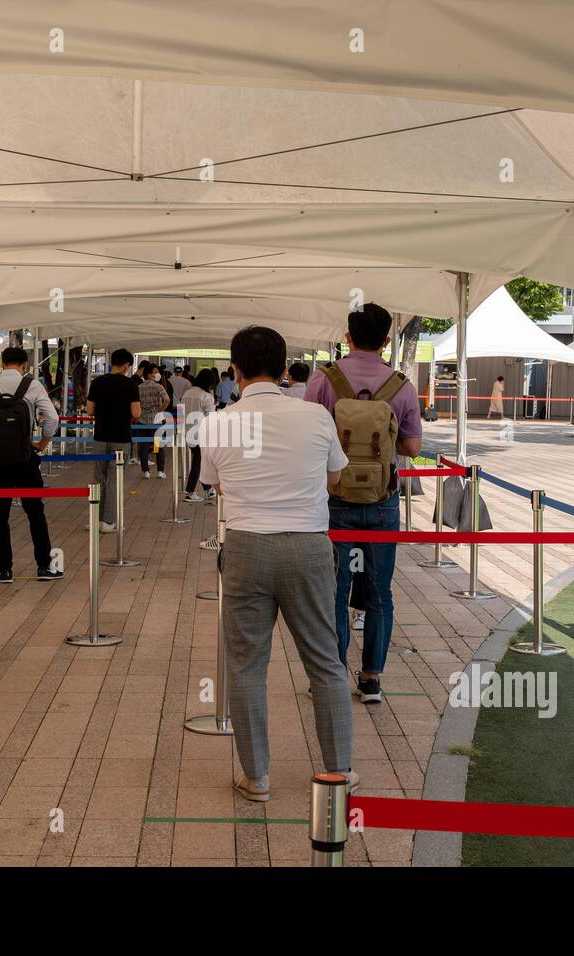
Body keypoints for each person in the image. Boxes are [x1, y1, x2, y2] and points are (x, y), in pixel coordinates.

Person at [201, 325, 357, 801]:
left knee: (247, 665)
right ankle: (339, 773)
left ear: (235, 369)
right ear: (285, 366)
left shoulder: (218, 421)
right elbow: (335, 474)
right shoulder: (315, 416)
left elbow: (216, 484)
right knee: (325, 662)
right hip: (309, 546)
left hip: (247, 545)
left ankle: (258, 777)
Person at [306, 302, 423, 703]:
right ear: (387, 340)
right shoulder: (401, 386)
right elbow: (412, 445)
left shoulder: (324, 382)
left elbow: (308, 439)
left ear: (347, 336)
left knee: (334, 590)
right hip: (381, 501)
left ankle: (333, 675)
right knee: (379, 592)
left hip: (333, 498)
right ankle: (371, 677)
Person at [0, 345, 62, 583]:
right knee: (35, 514)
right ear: (24, 366)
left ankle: (4, 570)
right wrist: (42, 442)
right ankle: (44, 567)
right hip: (25, 460)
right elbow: (52, 418)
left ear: (2, 364)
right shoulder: (31, 385)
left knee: (0, 517)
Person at [85, 348, 142, 533]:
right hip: (121, 438)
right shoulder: (130, 385)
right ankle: (109, 521)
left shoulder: (98, 382)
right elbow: (136, 413)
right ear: (126, 365)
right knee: (115, 479)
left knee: (98, 478)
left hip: (100, 436)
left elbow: (89, 410)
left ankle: (96, 520)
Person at [181, 368, 217, 502]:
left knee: (200, 460)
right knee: (199, 461)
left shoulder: (187, 393)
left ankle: (208, 490)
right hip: (201, 433)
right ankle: (190, 492)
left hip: (187, 431)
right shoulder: (206, 396)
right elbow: (210, 417)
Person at [137, 362, 169, 478]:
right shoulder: (158, 386)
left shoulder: (139, 387)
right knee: (158, 446)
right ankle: (160, 471)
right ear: (149, 374)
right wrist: (160, 409)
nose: (158, 374)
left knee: (144, 447)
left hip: (143, 420)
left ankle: (146, 472)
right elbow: (167, 400)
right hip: (157, 421)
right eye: (155, 372)